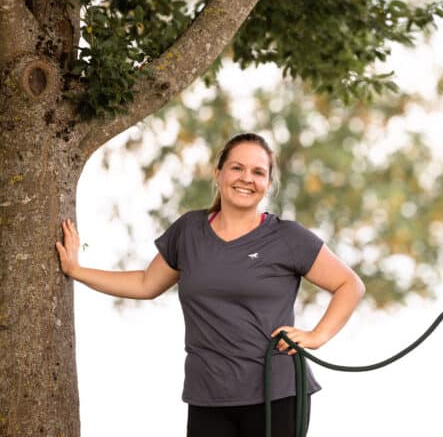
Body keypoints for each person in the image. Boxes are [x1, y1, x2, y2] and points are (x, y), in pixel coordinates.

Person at [56, 132, 366, 437]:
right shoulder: (189, 230)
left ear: (268, 184)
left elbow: (349, 285)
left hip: (276, 393)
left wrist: (316, 336)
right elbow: (145, 283)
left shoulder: (288, 238)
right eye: (237, 168)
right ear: (218, 174)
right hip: (208, 396)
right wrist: (77, 270)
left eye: (258, 172)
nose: (247, 178)